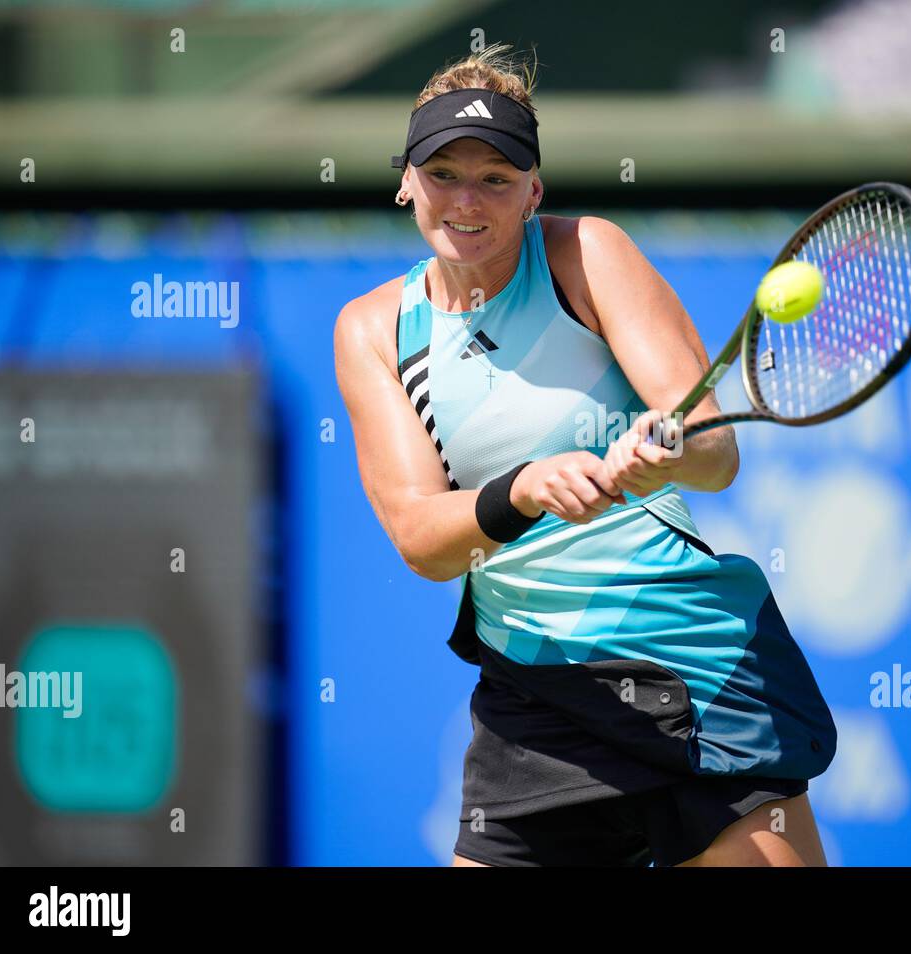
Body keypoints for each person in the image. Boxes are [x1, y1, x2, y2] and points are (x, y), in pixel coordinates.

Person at [334, 43, 837, 866]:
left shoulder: (585, 253)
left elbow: (716, 454)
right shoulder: (372, 330)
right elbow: (421, 540)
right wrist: (524, 488)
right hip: (533, 686)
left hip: (687, 662)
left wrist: (669, 448)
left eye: (496, 179)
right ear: (405, 182)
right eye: (443, 173)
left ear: (534, 192)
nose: (467, 200)